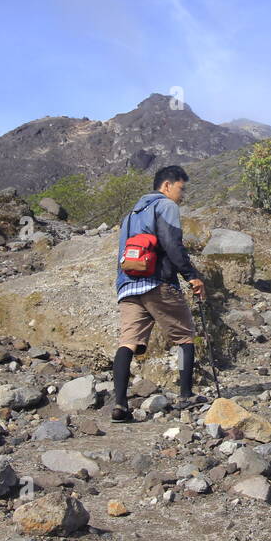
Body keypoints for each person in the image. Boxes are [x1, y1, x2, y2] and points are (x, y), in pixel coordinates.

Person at [111, 165, 206, 420]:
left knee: (128, 342)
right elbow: (172, 245)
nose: (182, 195)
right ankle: (186, 395)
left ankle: (119, 405)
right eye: (181, 189)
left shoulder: (131, 213)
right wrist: (192, 276)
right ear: (167, 185)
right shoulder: (166, 206)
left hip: (128, 285)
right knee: (185, 336)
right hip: (158, 283)